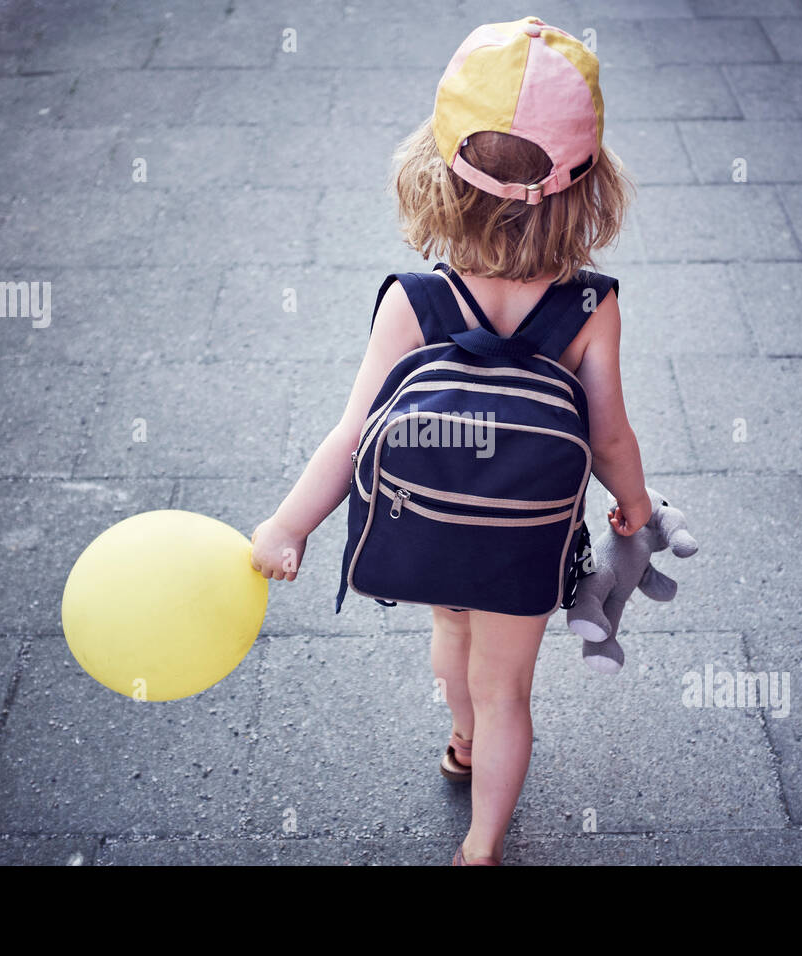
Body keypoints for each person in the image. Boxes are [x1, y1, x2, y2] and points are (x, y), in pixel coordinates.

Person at [249, 16, 650, 866]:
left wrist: (289, 527)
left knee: (453, 637)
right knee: (508, 691)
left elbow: (355, 434)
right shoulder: (591, 305)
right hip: (523, 542)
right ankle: (481, 848)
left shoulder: (414, 300)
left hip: (429, 527)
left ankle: (460, 742)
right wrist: (635, 505)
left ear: (438, 177)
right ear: (587, 186)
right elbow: (609, 431)